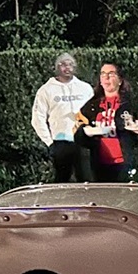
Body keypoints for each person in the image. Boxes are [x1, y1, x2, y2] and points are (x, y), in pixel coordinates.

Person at [75, 62, 138, 182]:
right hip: (97, 166)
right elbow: (77, 134)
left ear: (120, 80)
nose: (106, 77)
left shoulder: (133, 104)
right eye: (103, 74)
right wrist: (87, 132)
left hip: (126, 164)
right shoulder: (90, 106)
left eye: (111, 74)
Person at [31, 52, 92, 182]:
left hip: (84, 141)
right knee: (62, 181)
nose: (67, 68)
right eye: (63, 65)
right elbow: (38, 118)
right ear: (57, 67)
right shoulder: (46, 90)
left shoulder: (85, 88)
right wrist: (49, 143)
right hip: (61, 142)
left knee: (87, 180)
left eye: (70, 64)